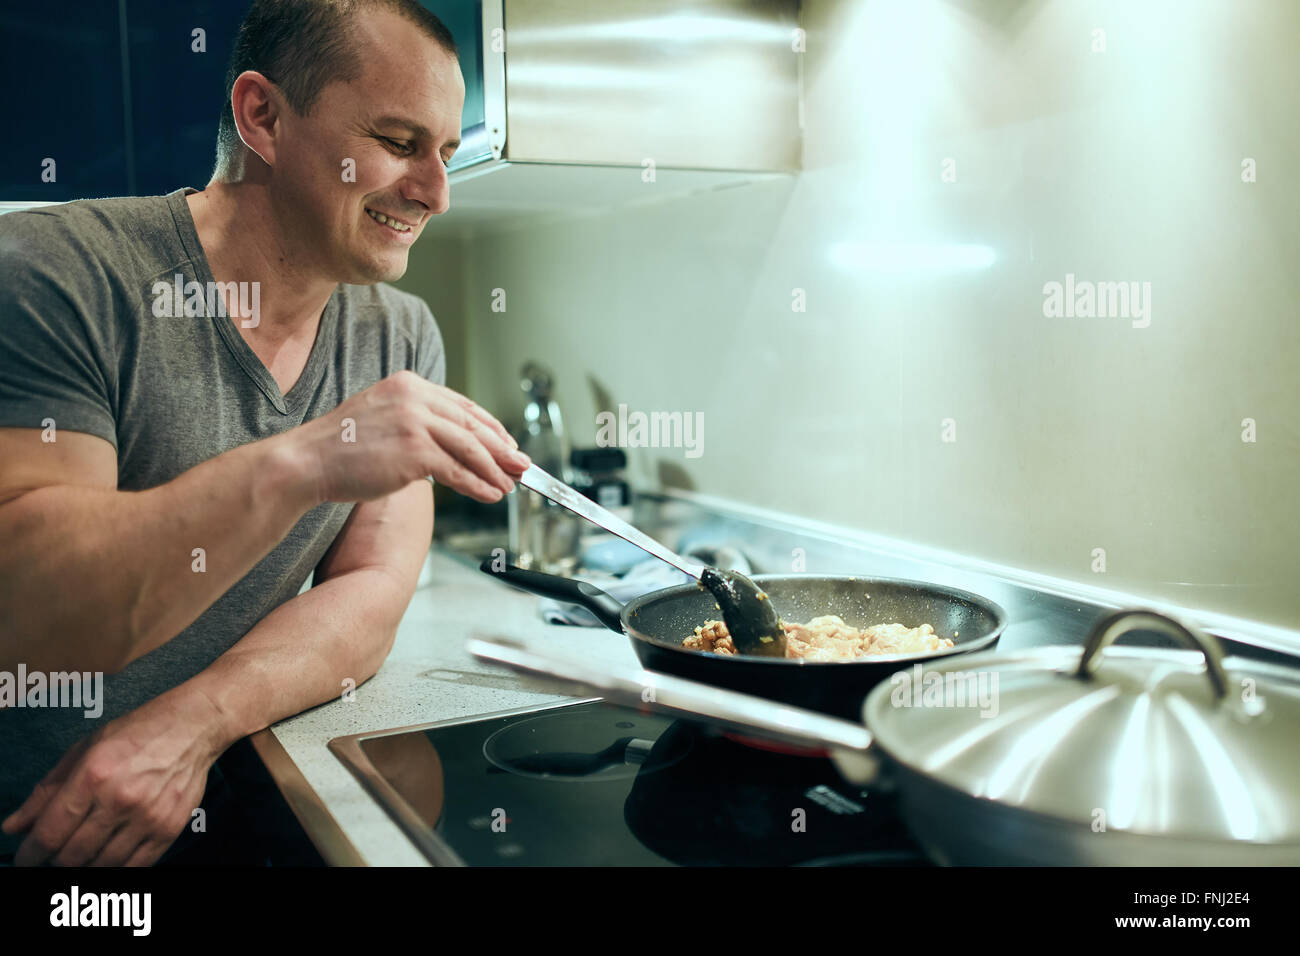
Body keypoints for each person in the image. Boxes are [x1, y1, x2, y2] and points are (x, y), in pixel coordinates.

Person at [0, 0, 528, 866]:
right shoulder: (57, 275)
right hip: (40, 831)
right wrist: (314, 457)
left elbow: (372, 590)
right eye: (399, 143)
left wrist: (191, 724)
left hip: (214, 786)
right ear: (264, 117)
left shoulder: (398, 336)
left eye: (444, 153)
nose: (435, 192)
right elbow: (29, 612)